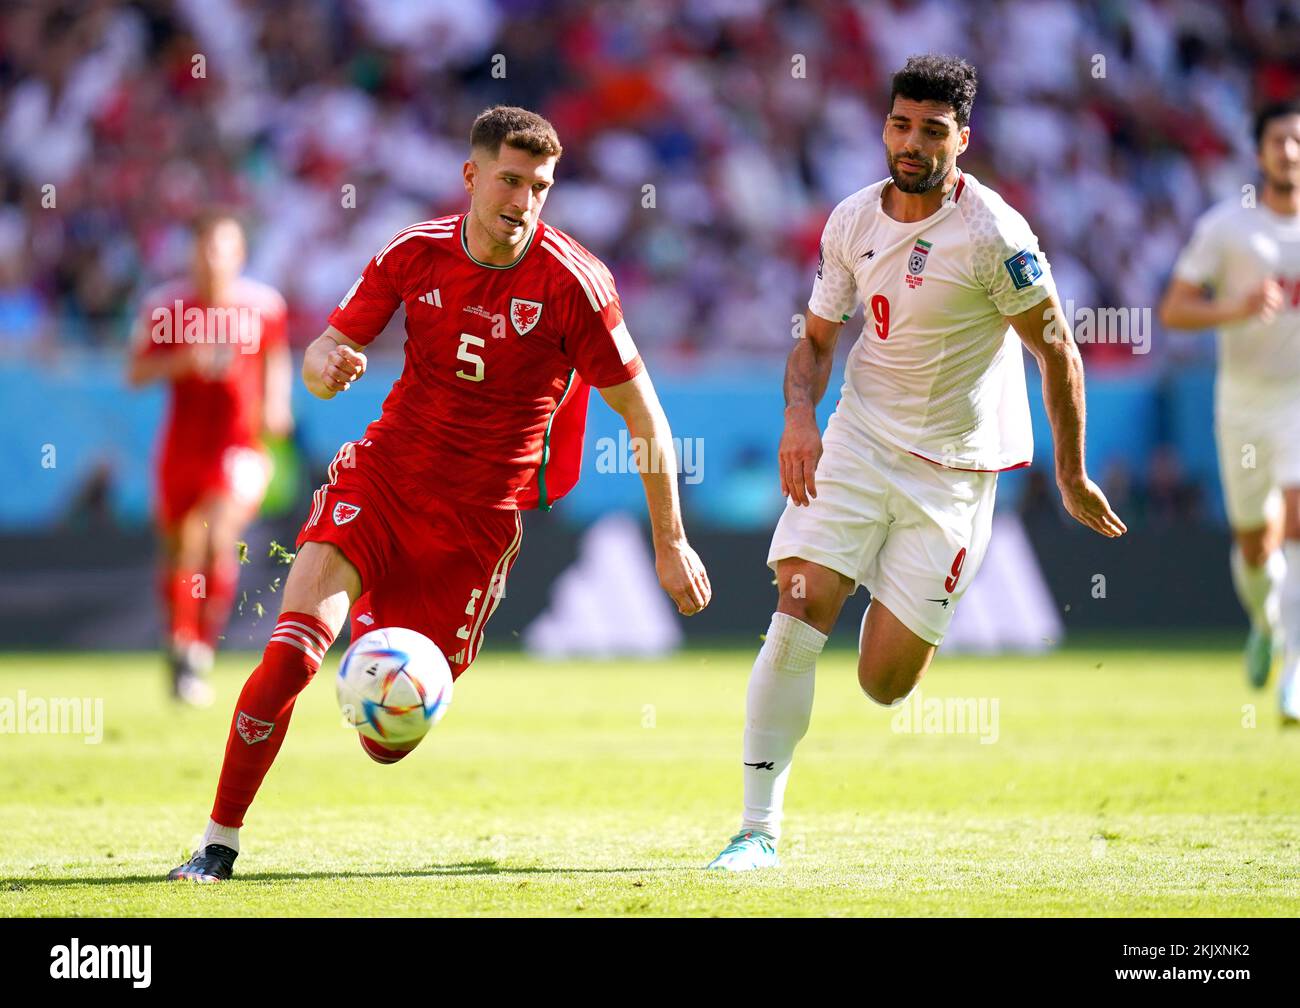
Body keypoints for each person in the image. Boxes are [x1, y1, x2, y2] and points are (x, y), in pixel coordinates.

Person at [167, 106, 711, 882]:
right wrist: (323, 363)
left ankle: (371, 634)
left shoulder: (575, 284)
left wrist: (670, 539)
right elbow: (330, 345)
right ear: (471, 176)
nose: (524, 202)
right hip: (383, 482)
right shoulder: (412, 252)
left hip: (476, 527)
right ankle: (217, 844)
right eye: (511, 181)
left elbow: (643, 414)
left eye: (541, 187)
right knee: (289, 657)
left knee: (386, 741)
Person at [707, 55, 1125, 871]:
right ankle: (756, 832)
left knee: (885, 684)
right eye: (901, 124)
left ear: (961, 140)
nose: (912, 143)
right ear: (885, 125)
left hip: (956, 472)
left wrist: (1070, 474)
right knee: (797, 612)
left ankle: (898, 593)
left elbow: (1058, 353)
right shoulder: (852, 221)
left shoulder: (996, 235)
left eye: (933, 131)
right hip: (858, 441)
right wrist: (800, 418)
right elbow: (817, 342)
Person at [1159, 100, 1300, 720]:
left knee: (1296, 518)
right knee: (1255, 544)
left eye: (1298, 141)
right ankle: (1266, 624)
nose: (1290, 152)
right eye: (1279, 141)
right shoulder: (1228, 227)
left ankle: (1295, 669)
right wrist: (1236, 309)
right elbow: (1174, 310)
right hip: (1243, 400)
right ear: (1259, 151)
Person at [128, 212, 292, 707]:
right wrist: (183, 361)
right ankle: (180, 641)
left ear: (239, 254)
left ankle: (198, 650)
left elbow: (274, 358)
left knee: (216, 534)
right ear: (192, 252)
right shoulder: (165, 307)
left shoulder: (263, 307)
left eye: (223, 248)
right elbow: (134, 371)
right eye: (205, 248)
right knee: (180, 549)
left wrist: (278, 405)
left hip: (239, 448)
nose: (213, 258)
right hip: (182, 449)